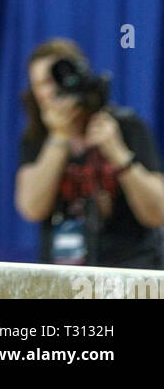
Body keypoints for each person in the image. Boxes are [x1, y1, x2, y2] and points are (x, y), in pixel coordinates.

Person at [15, 38, 164, 268]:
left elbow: (158, 213)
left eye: (55, 78)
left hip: (129, 269)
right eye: (40, 84)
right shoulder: (36, 138)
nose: (51, 90)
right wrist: (60, 136)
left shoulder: (127, 127)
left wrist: (119, 154)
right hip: (62, 272)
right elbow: (32, 208)